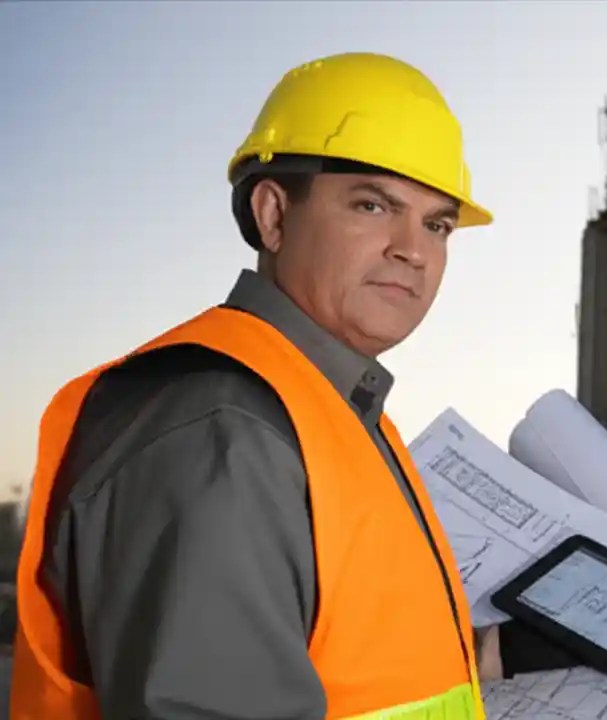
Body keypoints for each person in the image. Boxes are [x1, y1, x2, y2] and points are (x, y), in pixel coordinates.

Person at [10, 51, 573, 720]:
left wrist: (501, 651)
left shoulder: (330, 415)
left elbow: (355, 658)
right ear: (273, 215)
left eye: (437, 224)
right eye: (372, 204)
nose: (414, 250)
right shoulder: (224, 428)